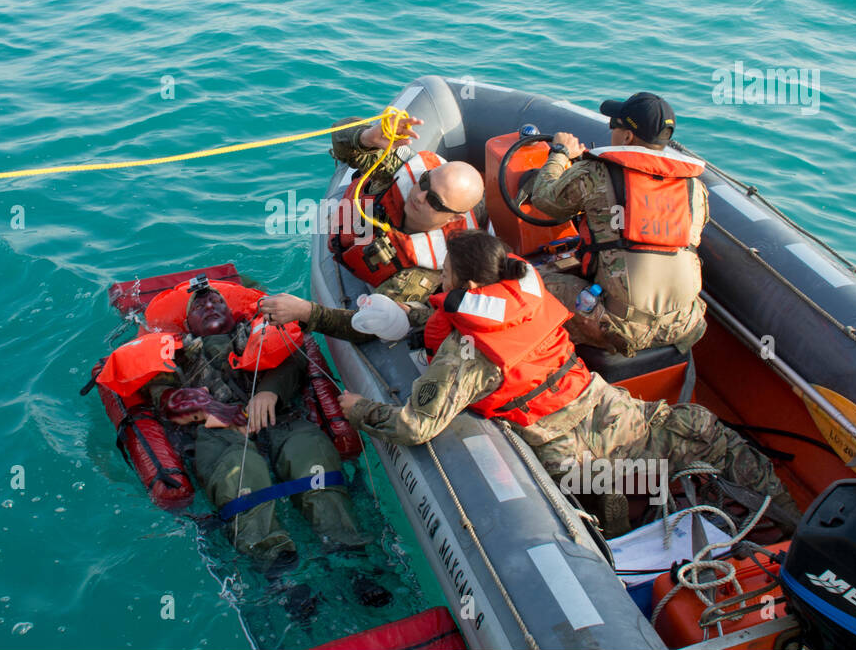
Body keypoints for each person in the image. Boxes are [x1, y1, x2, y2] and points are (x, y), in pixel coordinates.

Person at [261, 230, 800, 536]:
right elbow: (408, 318)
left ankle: (772, 524)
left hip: (577, 432)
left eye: (447, 277)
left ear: (469, 285)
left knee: (671, 442)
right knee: (698, 429)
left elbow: (413, 426)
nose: (441, 284)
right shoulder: (528, 295)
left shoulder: (466, 351)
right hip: (594, 419)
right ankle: (779, 521)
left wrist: (356, 408)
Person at [140, 280, 377, 583]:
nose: (209, 306)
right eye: (199, 307)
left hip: (281, 419)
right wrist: (210, 409)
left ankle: (347, 550)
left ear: (232, 312)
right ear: (187, 324)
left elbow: (292, 359)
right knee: (242, 475)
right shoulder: (174, 355)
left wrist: (270, 392)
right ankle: (276, 566)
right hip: (219, 434)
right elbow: (165, 398)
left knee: (309, 455)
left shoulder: (260, 330)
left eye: (216, 302)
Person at [519, 92, 709, 357]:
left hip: (618, 327)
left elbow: (544, 198)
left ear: (627, 137)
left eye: (614, 126)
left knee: (523, 283)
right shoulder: (694, 187)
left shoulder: (597, 172)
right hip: (683, 325)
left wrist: (560, 154)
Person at [329, 111, 487, 304]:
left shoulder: (427, 271)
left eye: (434, 201)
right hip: (345, 226)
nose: (419, 196)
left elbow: (375, 322)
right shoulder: (403, 173)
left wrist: (310, 313)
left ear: (454, 218)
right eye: (425, 181)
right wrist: (366, 137)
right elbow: (340, 132)